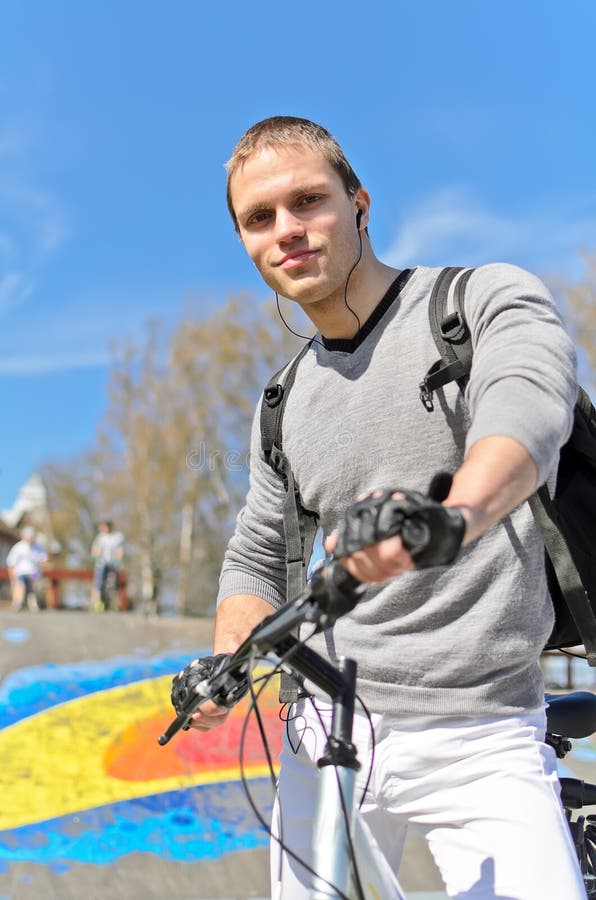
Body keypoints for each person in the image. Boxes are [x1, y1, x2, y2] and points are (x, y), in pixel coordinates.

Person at [172, 116, 585, 898]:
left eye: (307, 201)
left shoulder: (474, 302)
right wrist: (226, 663)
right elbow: (257, 552)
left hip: (479, 725)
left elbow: (529, 401)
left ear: (359, 204)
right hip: (323, 729)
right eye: (259, 218)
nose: (286, 230)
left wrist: (450, 518)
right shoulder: (283, 401)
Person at [6, 525, 48, 612]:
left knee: (35, 586)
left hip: (34, 572)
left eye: (31, 537)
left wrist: (42, 569)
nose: (30, 539)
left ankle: (33, 604)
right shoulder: (18, 547)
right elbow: (11, 562)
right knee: (20, 585)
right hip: (20, 572)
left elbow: (44, 560)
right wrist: (12, 577)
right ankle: (18, 603)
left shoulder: (39, 547)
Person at [89, 520, 124, 611]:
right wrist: (95, 557)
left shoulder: (117, 537)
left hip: (112, 565)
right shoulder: (100, 537)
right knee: (98, 584)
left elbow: (119, 551)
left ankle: (113, 604)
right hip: (101, 564)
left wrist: (118, 561)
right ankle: (97, 604)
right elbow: (95, 549)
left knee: (112, 584)